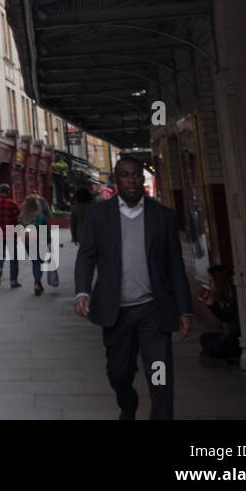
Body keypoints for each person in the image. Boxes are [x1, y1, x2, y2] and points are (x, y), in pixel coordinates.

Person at [74, 155, 193, 420]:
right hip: (117, 312)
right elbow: (86, 256)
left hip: (153, 311)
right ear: (116, 179)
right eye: (125, 175)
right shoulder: (99, 214)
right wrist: (83, 291)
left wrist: (184, 310)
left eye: (136, 175)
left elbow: (175, 266)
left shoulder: (163, 216)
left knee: (161, 377)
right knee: (119, 373)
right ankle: (128, 405)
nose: (131, 180)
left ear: (142, 178)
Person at [199, 265, 241, 366]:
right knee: (204, 337)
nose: (210, 284)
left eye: (211, 281)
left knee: (215, 347)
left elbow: (235, 324)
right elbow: (226, 318)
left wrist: (225, 338)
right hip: (230, 336)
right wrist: (213, 306)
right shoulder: (226, 295)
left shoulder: (236, 295)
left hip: (237, 339)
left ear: (219, 280)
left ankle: (222, 358)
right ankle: (214, 355)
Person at [0, 184, 23, 289]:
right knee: (13, 258)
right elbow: (17, 219)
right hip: (10, 233)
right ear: (8, 191)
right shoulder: (13, 204)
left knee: (0, 255)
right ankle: (13, 281)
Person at [20, 195, 47, 296]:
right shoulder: (40, 216)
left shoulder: (22, 216)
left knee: (35, 262)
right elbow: (46, 230)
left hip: (28, 243)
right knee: (39, 263)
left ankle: (38, 283)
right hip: (40, 241)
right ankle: (37, 283)